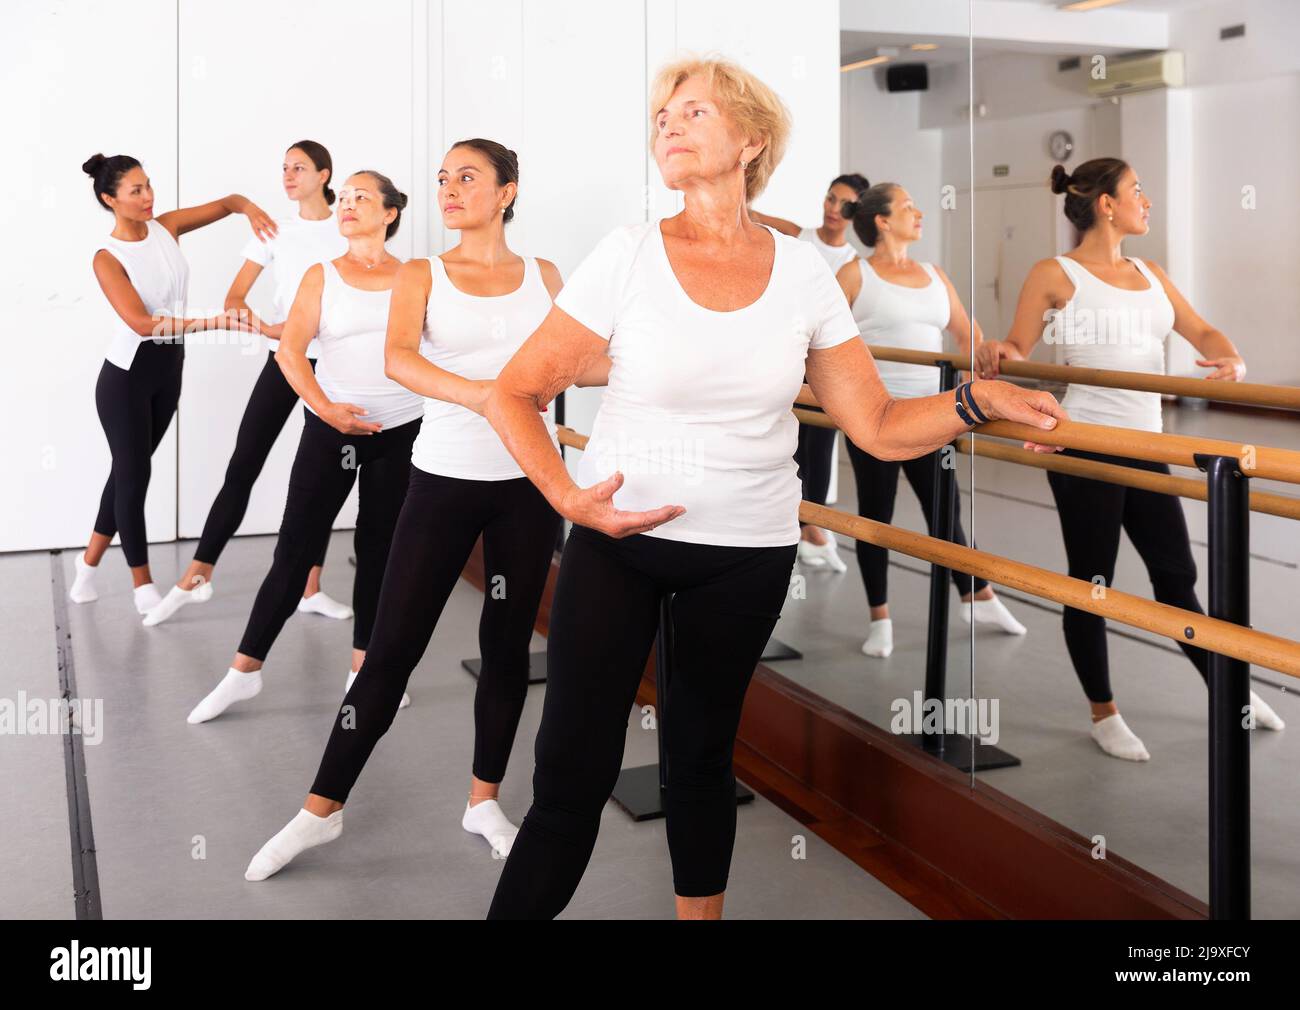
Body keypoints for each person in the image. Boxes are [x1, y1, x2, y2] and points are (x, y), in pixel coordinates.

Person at [481, 56, 1066, 919]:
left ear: (751, 141)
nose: (668, 127)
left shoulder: (802, 273)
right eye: (661, 118)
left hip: (746, 553)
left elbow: (874, 423)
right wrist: (568, 498)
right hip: (618, 546)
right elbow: (512, 391)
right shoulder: (629, 254)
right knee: (572, 770)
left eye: (693, 113)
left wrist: (974, 401)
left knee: (701, 755)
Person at [242, 139, 595, 880]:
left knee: (507, 651)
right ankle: (320, 810)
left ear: (508, 191)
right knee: (387, 657)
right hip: (442, 479)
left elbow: (571, 364)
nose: (451, 188)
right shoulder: (422, 274)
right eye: (443, 178)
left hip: (528, 486)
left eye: (468, 177)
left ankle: (483, 800)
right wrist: (492, 399)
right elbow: (401, 359)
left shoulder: (546, 277)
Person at [975, 157, 1285, 761]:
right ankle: (1103, 711)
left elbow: (1204, 332)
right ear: (1107, 204)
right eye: (1137, 191)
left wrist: (1232, 361)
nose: (1147, 200)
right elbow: (1017, 345)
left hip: (1149, 447)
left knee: (1177, 579)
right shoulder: (1055, 273)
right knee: (1092, 580)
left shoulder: (1153, 273)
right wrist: (997, 349)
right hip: (1086, 446)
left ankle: (1230, 688)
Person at [187, 170, 423, 725]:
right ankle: (244, 671)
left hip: (401, 430)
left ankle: (364, 669)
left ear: (390, 213)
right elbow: (291, 352)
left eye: (362, 197)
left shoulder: (417, 276)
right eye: (344, 197)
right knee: (295, 549)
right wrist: (328, 409)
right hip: (331, 426)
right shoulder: (322, 275)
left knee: (380, 549)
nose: (348, 204)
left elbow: (435, 348)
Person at [144, 140, 352, 626]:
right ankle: (198, 575)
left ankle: (310, 588)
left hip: (339, 367)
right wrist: (270, 328)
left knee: (320, 478)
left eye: (298, 167)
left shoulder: (348, 228)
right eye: (284, 168)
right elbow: (235, 296)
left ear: (324, 175)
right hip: (285, 358)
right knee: (244, 464)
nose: (287, 175)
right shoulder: (273, 230)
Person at [836, 182, 1025, 659]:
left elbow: (966, 333)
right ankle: (880, 617)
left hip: (932, 415)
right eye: (908, 206)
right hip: (876, 417)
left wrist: (983, 368)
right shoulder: (854, 275)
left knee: (946, 513)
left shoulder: (934, 274)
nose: (919, 213)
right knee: (876, 518)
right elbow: (825, 342)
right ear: (881, 220)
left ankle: (976, 596)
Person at [69, 153, 262, 613]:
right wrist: (215, 322)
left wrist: (249, 209)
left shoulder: (167, 227)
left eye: (148, 185)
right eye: (135, 191)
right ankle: (142, 585)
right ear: (109, 199)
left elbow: (228, 202)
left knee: (125, 471)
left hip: (168, 372)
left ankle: (87, 567)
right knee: (136, 475)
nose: (148, 196)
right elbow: (140, 323)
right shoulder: (107, 258)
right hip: (126, 379)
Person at [752, 173, 870, 571]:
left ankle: (810, 525)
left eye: (845, 204)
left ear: (858, 213)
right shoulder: (797, 236)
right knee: (780, 441)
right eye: (830, 198)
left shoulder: (854, 263)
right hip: (783, 357)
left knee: (818, 448)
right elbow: (748, 213)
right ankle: (786, 523)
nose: (834, 209)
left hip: (819, 366)